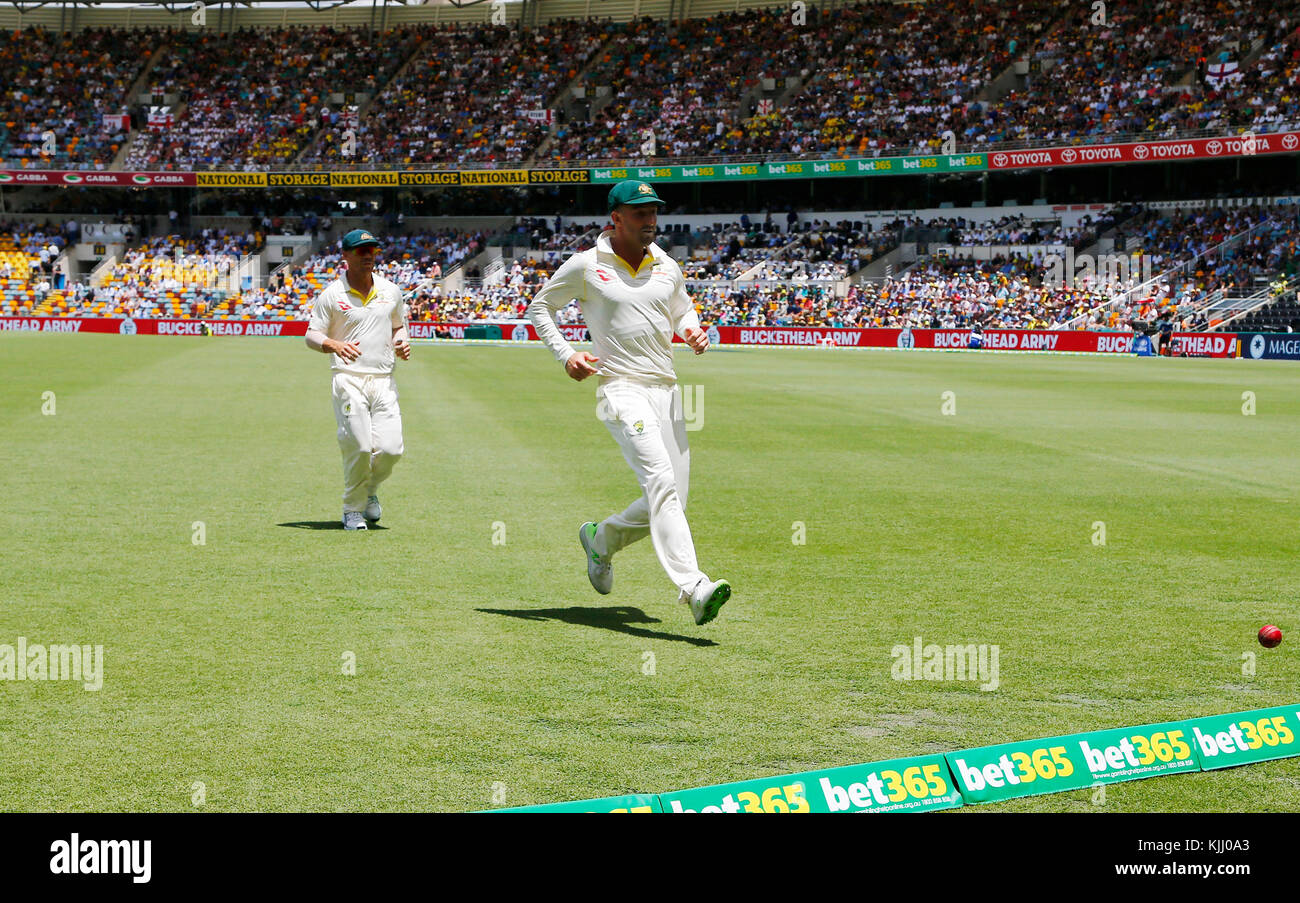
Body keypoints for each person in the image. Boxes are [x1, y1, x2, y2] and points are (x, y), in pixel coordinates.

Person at [527, 180, 731, 627]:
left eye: (653, 212)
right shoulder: (586, 264)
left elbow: (682, 309)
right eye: (640, 214)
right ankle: (694, 586)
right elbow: (540, 308)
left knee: (672, 495)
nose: (650, 221)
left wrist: (693, 328)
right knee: (660, 481)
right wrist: (568, 355)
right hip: (620, 389)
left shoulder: (667, 265)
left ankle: (602, 541)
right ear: (615, 218)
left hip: (668, 390)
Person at [305, 229, 410, 531]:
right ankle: (352, 509)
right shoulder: (331, 295)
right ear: (346, 256)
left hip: (384, 380)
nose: (368, 256)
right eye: (361, 251)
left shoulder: (391, 291)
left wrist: (402, 341)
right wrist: (334, 345)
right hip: (348, 378)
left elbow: (398, 326)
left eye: (372, 251)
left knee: (391, 450)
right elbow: (311, 335)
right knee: (361, 447)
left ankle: (369, 492)